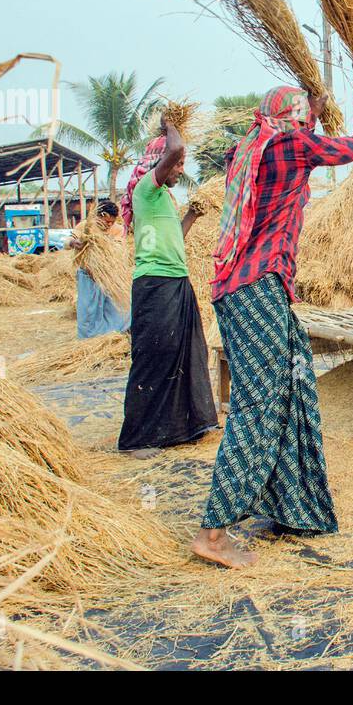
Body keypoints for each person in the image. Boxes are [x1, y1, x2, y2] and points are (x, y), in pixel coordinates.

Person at [192, 45, 353, 569]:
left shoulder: (250, 146)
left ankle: (292, 505)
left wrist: (311, 110)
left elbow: (291, 144)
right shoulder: (291, 145)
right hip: (257, 288)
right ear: (294, 120)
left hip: (243, 289)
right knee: (258, 403)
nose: (308, 124)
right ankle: (213, 532)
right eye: (305, 118)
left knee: (295, 379)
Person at [115, 113, 219, 455]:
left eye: (182, 165)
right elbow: (175, 147)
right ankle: (137, 438)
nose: (180, 169)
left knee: (185, 354)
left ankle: (181, 427)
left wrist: (192, 215)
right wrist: (170, 124)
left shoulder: (164, 200)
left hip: (176, 282)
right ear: (160, 161)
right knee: (153, 357)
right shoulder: (147, 187)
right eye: (177, 164)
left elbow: (176, 238)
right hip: (155, 285)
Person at [68, 200, 128, 339]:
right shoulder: (85, 226)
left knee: (113, 307)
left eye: (111, 222)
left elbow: (118, 249)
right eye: (106, 221)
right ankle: (88, 338)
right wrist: (74, 243)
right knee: (89, 308)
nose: (109, 225)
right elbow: (69, 240)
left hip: (109, 274)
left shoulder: (118, 230)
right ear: (98, 216)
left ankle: (112, 334)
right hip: (88, 274)